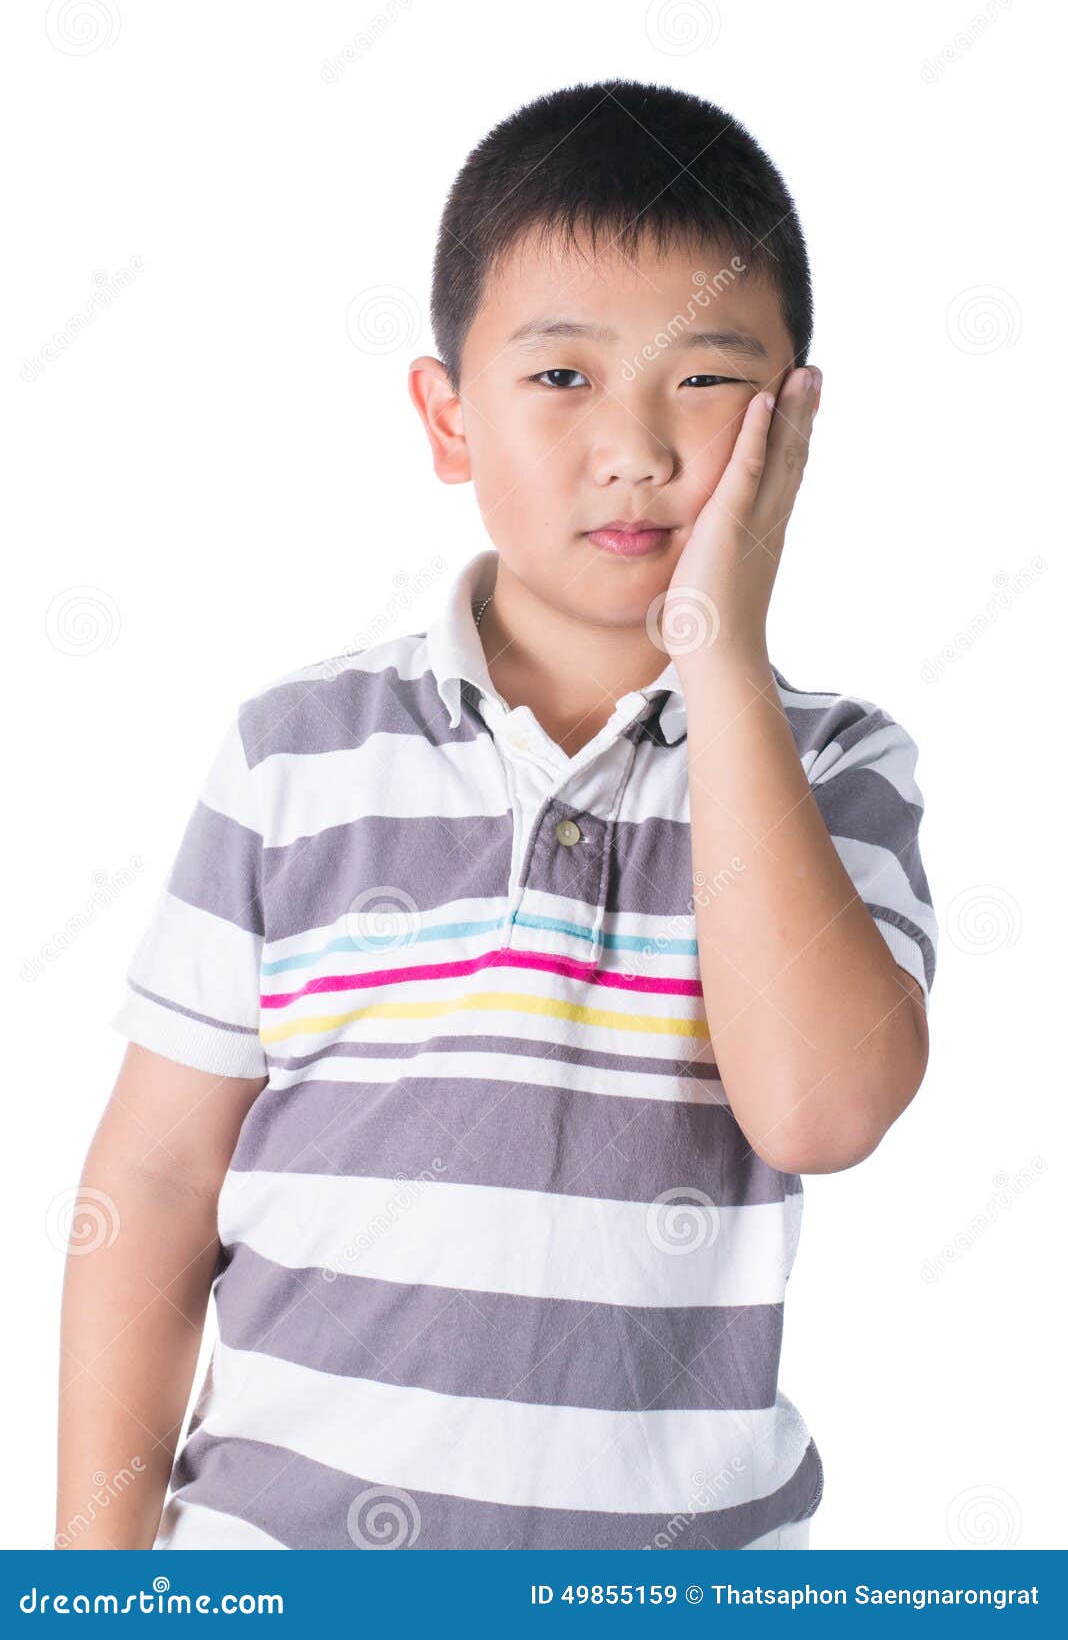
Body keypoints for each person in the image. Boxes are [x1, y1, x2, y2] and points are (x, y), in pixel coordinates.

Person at [56, 78, 936, 1552]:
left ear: (796, 420)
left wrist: (717, 647)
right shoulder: (299, 754)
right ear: (447, 417)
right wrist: (94, 1571)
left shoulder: (840, 767)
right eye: (563, 377)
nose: (638, 448)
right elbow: (150, 1180)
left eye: (708, 377)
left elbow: (819, 1107)